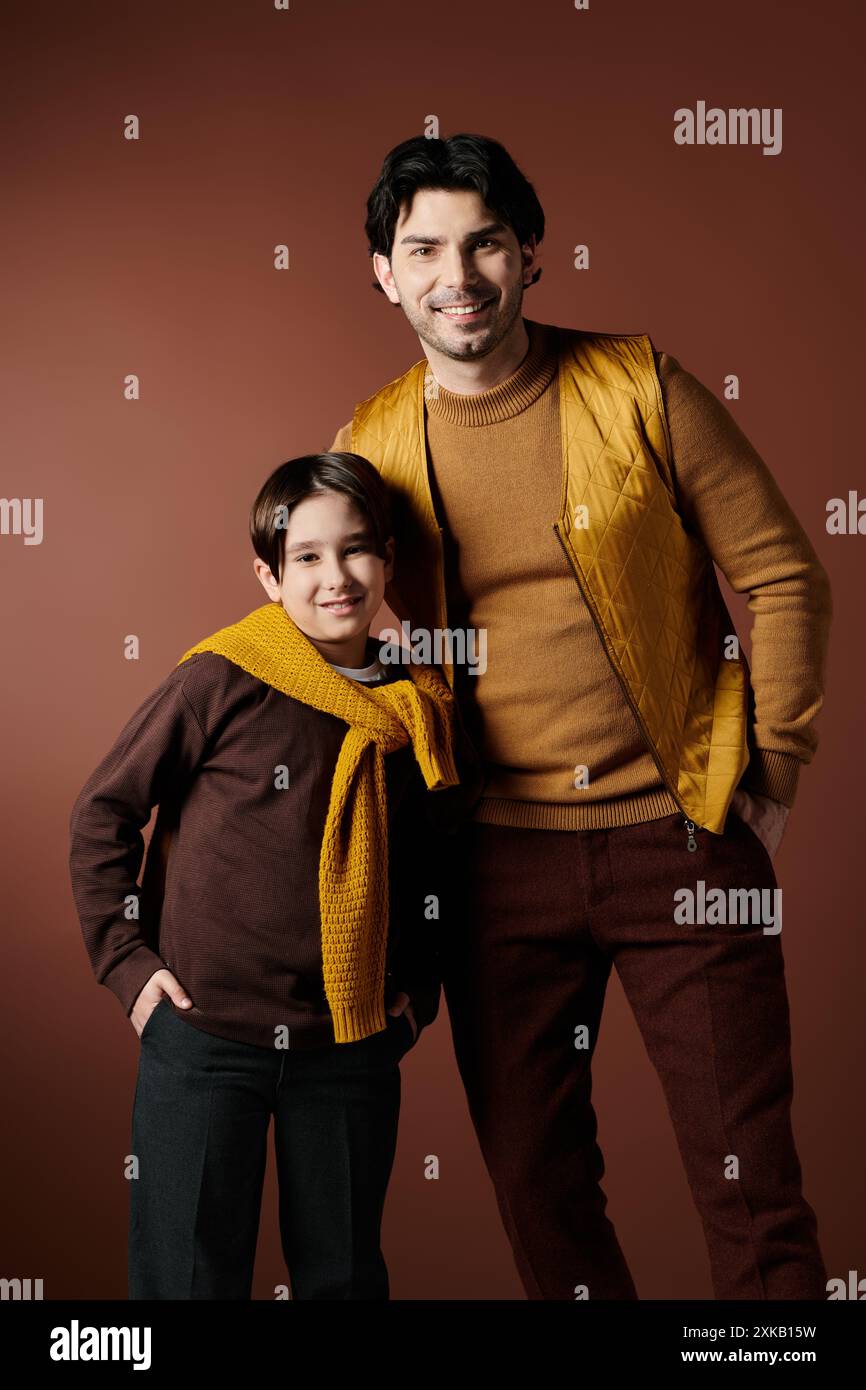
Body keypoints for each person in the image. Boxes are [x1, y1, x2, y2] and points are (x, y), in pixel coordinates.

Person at [327, 132, 833, 1300]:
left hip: (681, 836)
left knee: (748, 1183)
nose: (457, 274)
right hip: (490, 864)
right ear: (382, 275)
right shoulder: (368, 446)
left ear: (529, 256)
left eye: (485, 243)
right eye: (424, 250)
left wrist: (776, 766)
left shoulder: (638, 385)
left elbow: (784, 575)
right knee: (536, 1186)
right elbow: (328, 641)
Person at [68, 451, 459, 1300]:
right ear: (269, 576)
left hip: (349, 1044)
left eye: (356, 550)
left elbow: (438, 860)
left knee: (344, 1277)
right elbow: (104, 813)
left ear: (388, 560)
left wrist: (414, 993)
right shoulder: (223, 676)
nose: (336, 577)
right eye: (307, 557)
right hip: (205, 1034)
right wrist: (130, 969)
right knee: (188, 1279)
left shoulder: (413, 706)